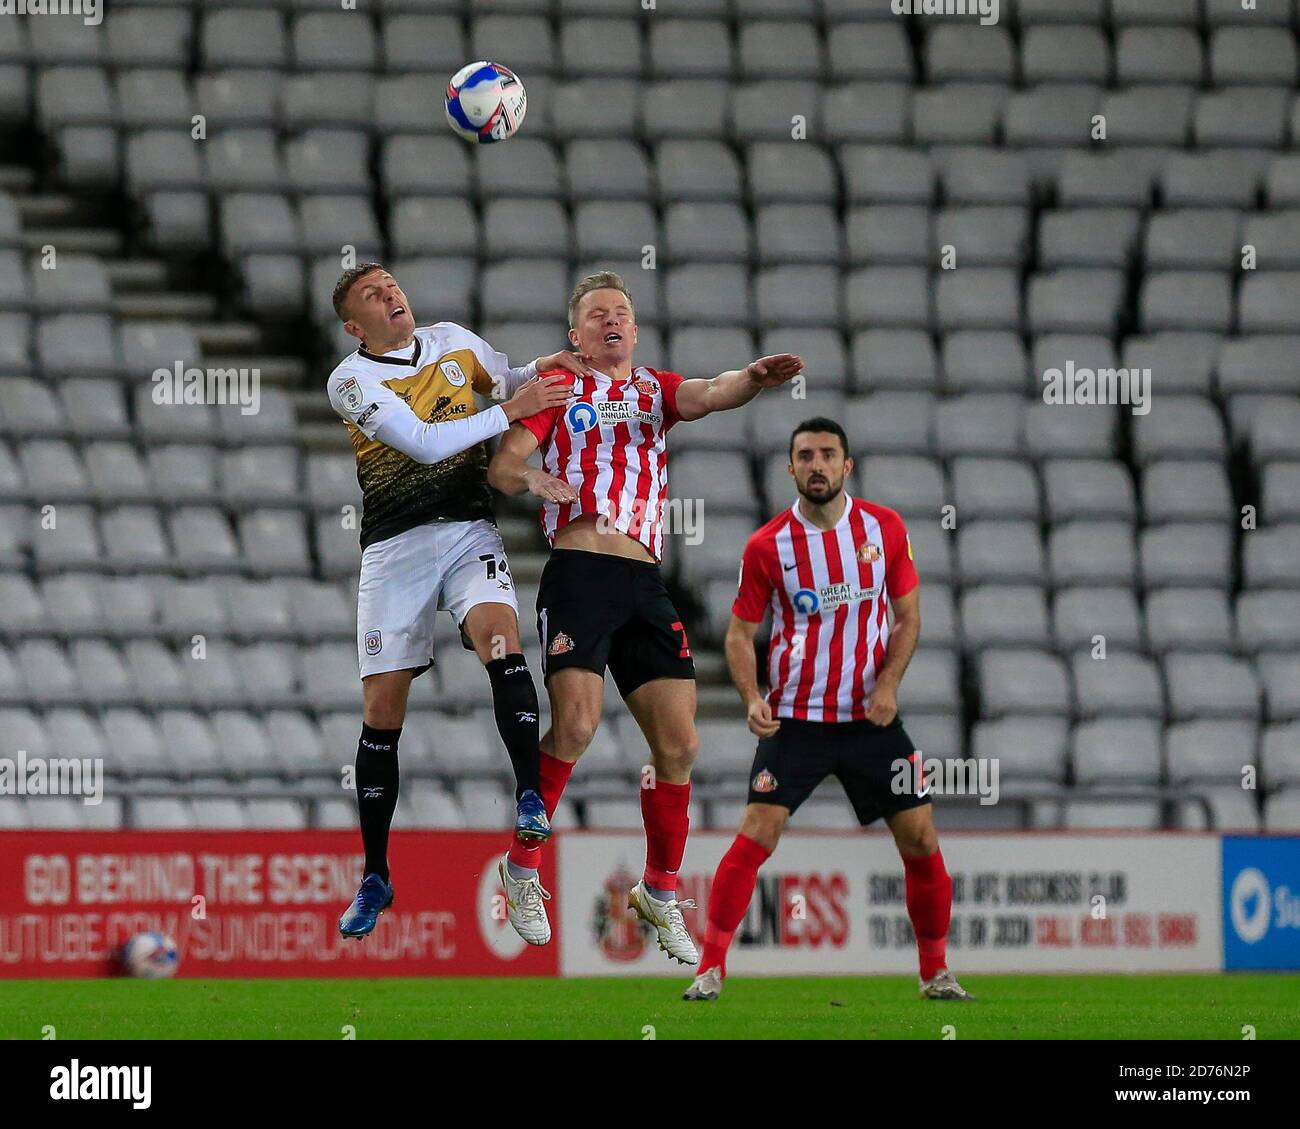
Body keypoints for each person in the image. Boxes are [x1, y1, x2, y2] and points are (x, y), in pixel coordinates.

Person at [486, 270, 803, 958]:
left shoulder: (654, 390)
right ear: (576, 334)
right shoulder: (557, 389)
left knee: (680, 746)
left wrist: (752, 378)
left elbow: (712, 392)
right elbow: (503, 465)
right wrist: (535, 477)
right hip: (580, 572)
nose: (610, 321)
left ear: (633, 330)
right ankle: (523, 866)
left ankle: (659, 891)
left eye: (620, 313)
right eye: (597, 313)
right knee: (575, 724)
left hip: (642, 578)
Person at [325, 263, 590, 938]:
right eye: (373, 295)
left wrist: (541, 369)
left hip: (468, 528)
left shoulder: (453, 342)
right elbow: (422, 441)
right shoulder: (350, 381)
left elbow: (506, 379)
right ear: (355, 326)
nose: (392, 295)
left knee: (502, 640)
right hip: (395, 548)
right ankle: (376, 875)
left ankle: (529, 797)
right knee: (382, 711)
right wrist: (511, 411)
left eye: (391, 285)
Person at [682, 417, 973, 1001]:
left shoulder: (884, 528)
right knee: (756, 833)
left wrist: (888, 684)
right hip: (797, 721)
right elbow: (739, 635)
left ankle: (936, 973)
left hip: (871, 720)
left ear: (847, 465)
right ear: (790, 468)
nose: (817, 465)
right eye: (806, 456)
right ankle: (709, 969)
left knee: (921, 837)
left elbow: (908, 617)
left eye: (828, 454)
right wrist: (752, 697)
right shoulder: (767, 546)